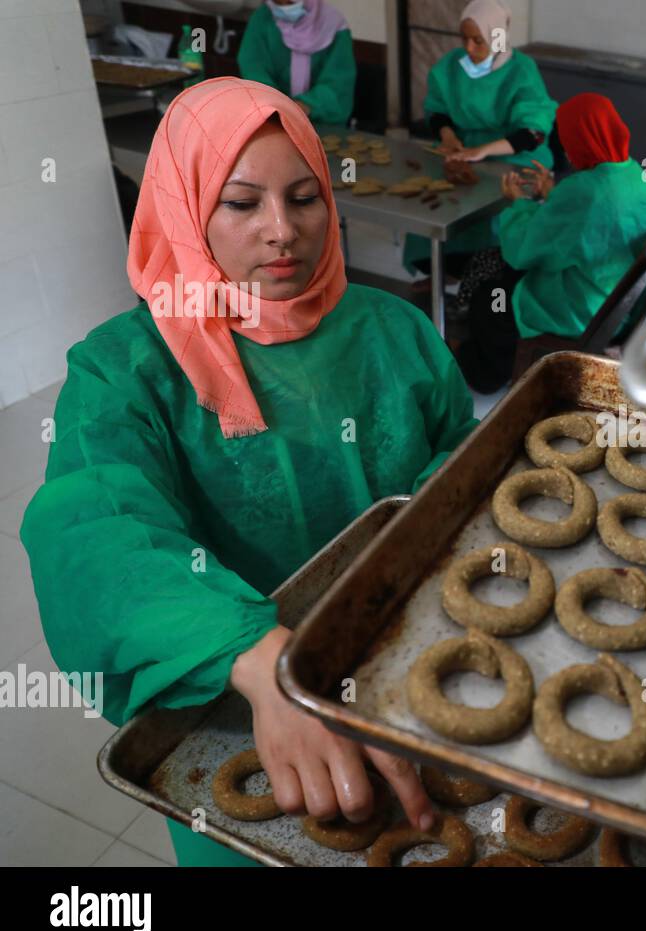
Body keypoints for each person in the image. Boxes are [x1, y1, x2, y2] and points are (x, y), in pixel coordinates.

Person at [20, 78, 476, 866]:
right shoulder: (123, 375)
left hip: (411, 671)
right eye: (241, 203)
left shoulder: (394, 332)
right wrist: (262, 662)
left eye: (305, 197)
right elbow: (96, 540)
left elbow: (460, 465)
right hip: (233, 707)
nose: (283, 232)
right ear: (185, 204)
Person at [453, 93, 646, 393]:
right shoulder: (633, 172)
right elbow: (588, 228)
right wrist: (554, 196)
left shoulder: (584, 190)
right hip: (626, 305)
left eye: (567, 139)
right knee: (506, 286)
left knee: (492, 298)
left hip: (585, 311)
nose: (565, 149)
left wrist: (518, 204)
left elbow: (523, 251)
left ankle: (484, 376)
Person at [403, 0, 557, 275]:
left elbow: (532, 133)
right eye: (464, 39)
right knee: (435, 203)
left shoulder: (521, 71)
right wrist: (448, 136)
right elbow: (437, 110)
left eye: (478, 40)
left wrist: (483, 151)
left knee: (494, 213)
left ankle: (485, 282)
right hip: (462, 150)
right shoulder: (451, 65)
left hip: (513, 155)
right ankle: (440, 270)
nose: (469, 49)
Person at [238, 0, 356, 126]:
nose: (284, 7)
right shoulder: (262, 18)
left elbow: (339, 81)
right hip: (274, 118)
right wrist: (275, 104)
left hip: (322, 122)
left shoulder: (334, 25)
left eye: (290, 2)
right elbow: (253, 69)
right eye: (278, 2)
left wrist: (307, 105)